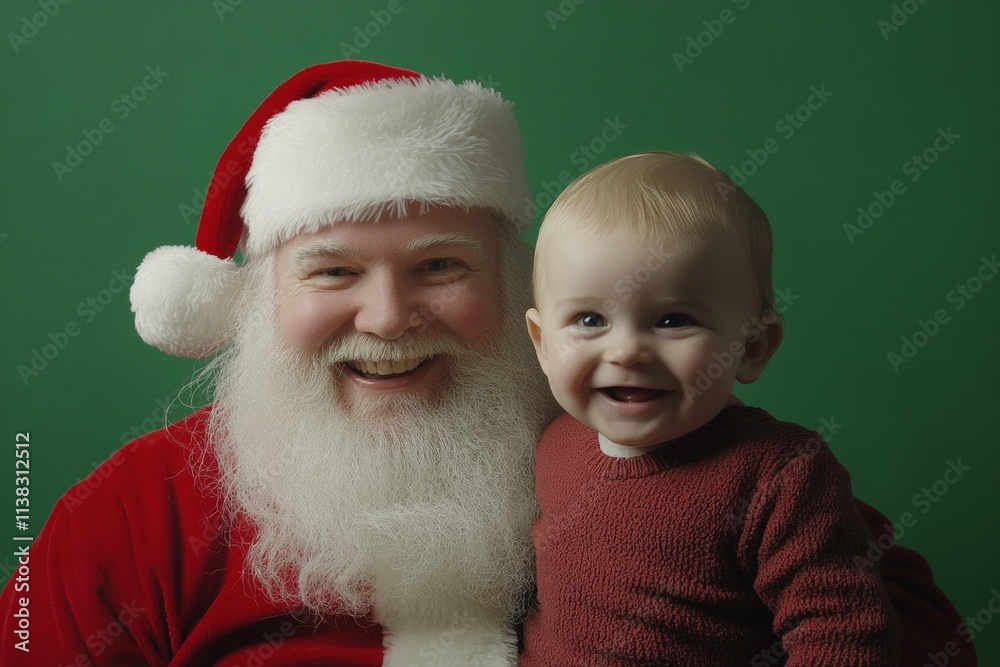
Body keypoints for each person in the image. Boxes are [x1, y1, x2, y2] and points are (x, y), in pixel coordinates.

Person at [0, 63, 974, 666]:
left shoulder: (668, 451)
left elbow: (915, 630)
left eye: (439, 267)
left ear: (520, 297)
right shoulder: (138, 507)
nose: (386, 316)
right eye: (331, 271)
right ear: (258, 298)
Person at [520, 151, 974, 665]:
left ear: (753, 346)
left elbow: (842, 630)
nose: (625, 351)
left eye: (672, 320)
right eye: (588, 319)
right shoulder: (553, 443)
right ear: (541, 343)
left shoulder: (778, 474)